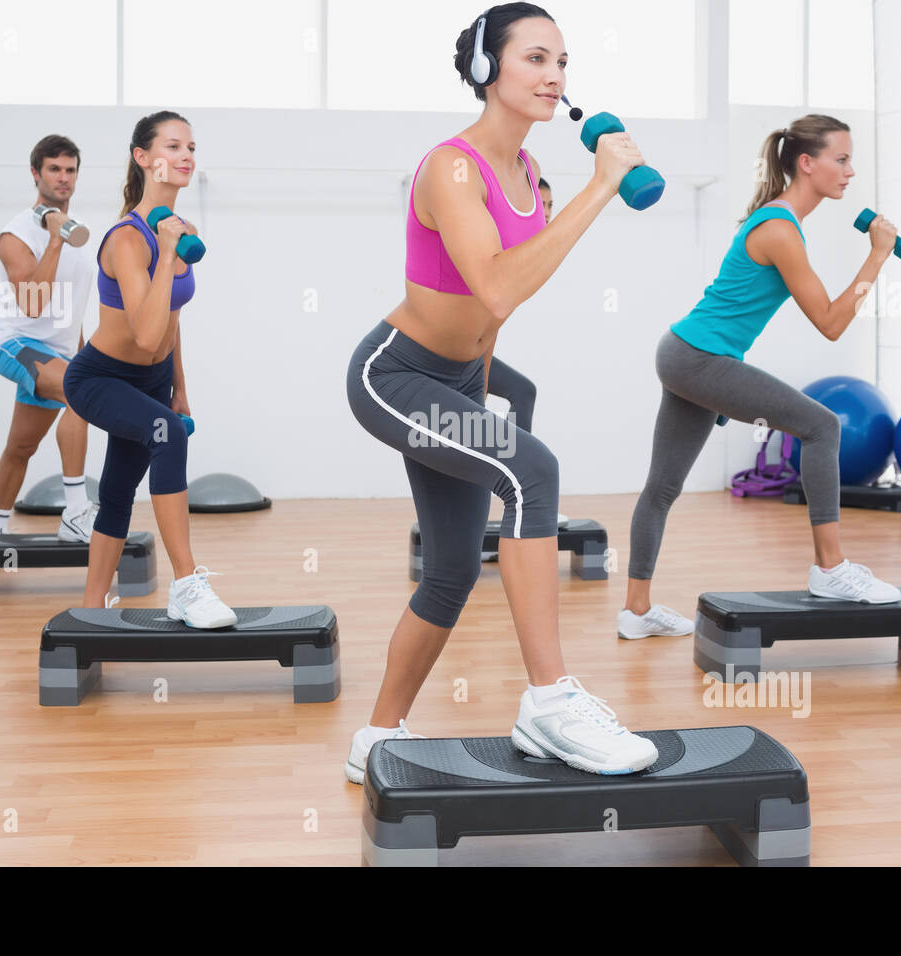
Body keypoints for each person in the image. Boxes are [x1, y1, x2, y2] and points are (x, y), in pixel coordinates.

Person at [344, 3, 658, 783]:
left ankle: (376, 737)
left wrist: (481, 389)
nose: (555, 77)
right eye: (535, 59)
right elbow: (495, 286)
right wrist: (602, 187)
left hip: (456, 376)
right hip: (395, 375)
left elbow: (491, 317)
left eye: (562, 63)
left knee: (450, 573)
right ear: (488, 69)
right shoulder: (452, 167)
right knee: (533, 470)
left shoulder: (530, 176)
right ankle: (550, 701)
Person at [620, 114, 901, 642]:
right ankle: (830, 569)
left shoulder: (778, 222)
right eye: (840, 160)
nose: (849, 172)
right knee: (822, 427)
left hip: (687, 353)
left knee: (661, 488)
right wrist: (878, 255)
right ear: (807, 164)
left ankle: (636, 611)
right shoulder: (779, 231)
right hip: (699, 359)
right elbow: (832, 324)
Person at [62, 110, 234, 627]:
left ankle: (91, 611)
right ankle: (186, 584)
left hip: (154, 381)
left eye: (191, 148)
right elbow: (145, 332)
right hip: (100, 378)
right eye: (173, 147)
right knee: (169, 437)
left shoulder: (182, 232)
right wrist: (163, 252)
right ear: (143, 158)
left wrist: (179, 387)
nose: (186, 157)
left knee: (117, 490)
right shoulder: (127, 239)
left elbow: (171, 324)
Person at [0, 135, 96, 541]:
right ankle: (75, 512)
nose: (63, 178)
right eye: (54, 169)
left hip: (58, 353)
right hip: (16, 345)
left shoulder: (80, 239)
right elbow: (33, 305)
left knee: (21, 448)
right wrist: (54, 238)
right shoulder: (15, 235)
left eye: (70, 170)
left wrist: (82, 355)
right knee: (81, 393)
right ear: (36, 173)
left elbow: (71, 309)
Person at [483, 174, 563, 560]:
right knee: (509, 399)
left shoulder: (525, 250)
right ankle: (506, 485)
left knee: (521, 390)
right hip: (444, 356)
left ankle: (510, 485)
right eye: (541, 207)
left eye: (550, 208)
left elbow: (490, 325)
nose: (546, 214)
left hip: (471, 350)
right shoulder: (495, 241)